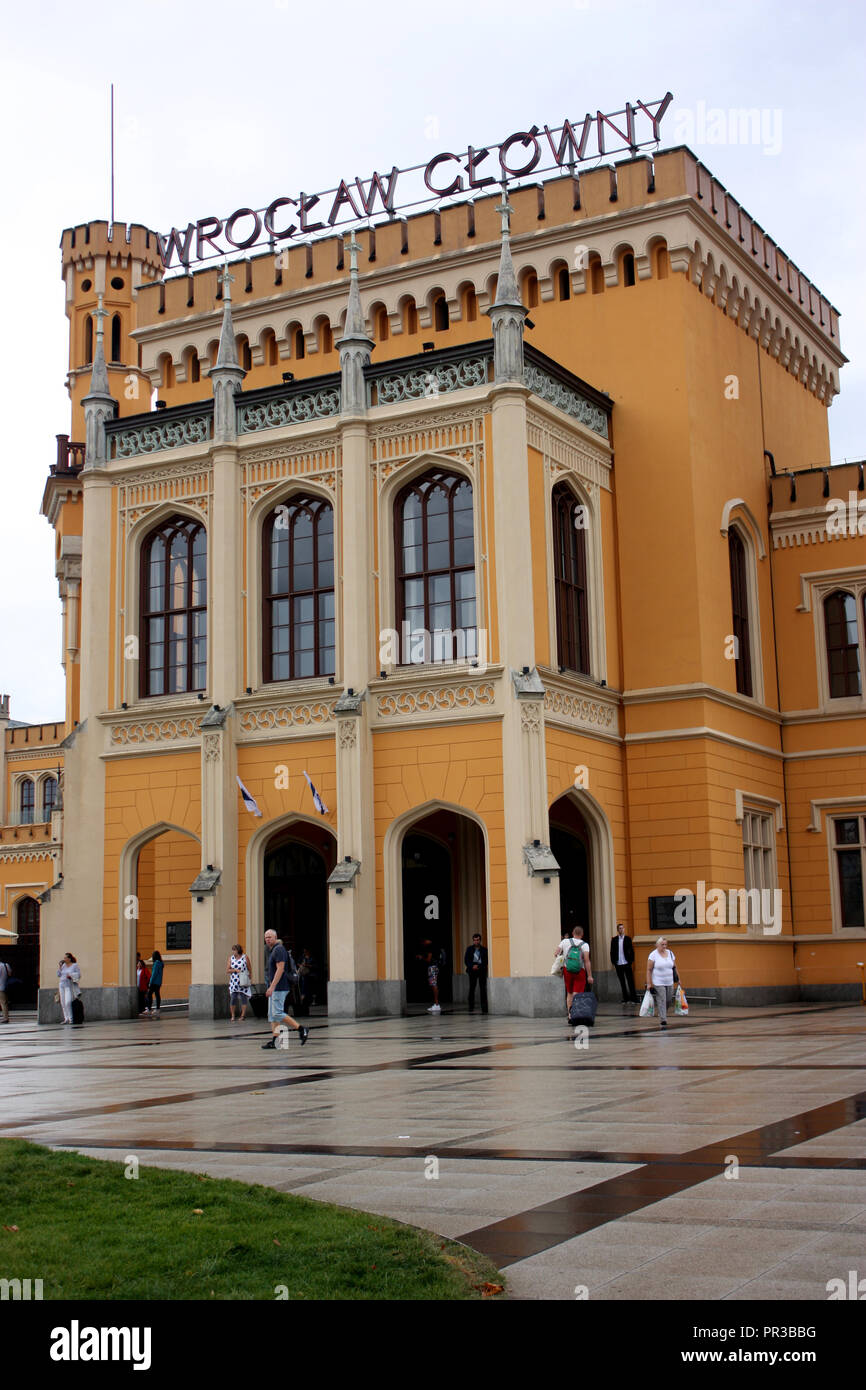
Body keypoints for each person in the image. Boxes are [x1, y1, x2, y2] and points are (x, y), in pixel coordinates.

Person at [261, 929, 309, 1049]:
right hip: (275, 987)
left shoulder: (279, 949)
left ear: (275, 937)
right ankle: (275, 1041)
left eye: (270, 937)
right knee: (272, 1015)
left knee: (277, 1012)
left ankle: (301, 1029)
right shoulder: (273, 950)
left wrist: (272, 987)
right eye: (266, 937)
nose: (267, 939)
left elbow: (280, 969)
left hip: (279, 987)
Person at [555, 925, 593, 1020]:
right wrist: (589, 976)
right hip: (580, 971)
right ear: (582, 935)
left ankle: (570, 1015)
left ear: (573, 933)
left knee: (570, 993)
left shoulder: (565, 941)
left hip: (567, 970)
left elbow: (556, 953)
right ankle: (576, 1013)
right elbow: (587, 961)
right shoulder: (584, 945)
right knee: (577, 993)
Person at [646, 936, 681, 1030]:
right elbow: (649, 970)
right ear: (657, 945)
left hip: (669, 981)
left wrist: (678, 979)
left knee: (669, 999)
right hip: (658, 982)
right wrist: (649, 983)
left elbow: (674, 967)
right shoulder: (653, 955)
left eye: (665, 944)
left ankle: (662, 1013)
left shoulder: (670, 953)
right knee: (662, 999)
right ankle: (663, 1019)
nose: (664, 946)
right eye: (662, 945)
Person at [610, 922, 638, 1004]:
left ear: (624, 929)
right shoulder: (614, 940)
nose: (621, 930)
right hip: (618, 963)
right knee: (622, 982)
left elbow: (632, 951)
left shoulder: (628, 939)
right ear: (617, 930)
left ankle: (633, 998)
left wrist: (631, 961)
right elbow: (612, 951)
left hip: (626, 963)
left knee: (630, 981)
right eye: (619, 928)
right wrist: (613, 961)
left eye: (622, 928)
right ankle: (625, 998)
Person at [227, 943, 252, 1022]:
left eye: (234, 950)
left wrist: (250, 976)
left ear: (238, 950)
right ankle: (233, 1015)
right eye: (233, 950)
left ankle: (243, 1015)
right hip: (234, 981)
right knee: (233, 998)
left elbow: (249, 968)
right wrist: (235, 970)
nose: (233, 952)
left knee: (243, 997)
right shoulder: (231, 958)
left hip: (243, 980)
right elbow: (227, 970)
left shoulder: (245, 957)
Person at [464, 933, 488, 1013]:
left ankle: (484, 1007)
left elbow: (486, 961)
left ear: (480, 940)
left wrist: (479, 966)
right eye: (474, 940)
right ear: (473, 941)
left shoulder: (484, 950)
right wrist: (472, 966)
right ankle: (471, 1007)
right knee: (472, 988)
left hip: (481, 970)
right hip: (472, 971)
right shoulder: (469, 949)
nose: (476, 942)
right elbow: (466, 960)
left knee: (483, 989)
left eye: (477, 940)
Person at [57, 952, 81, 1025]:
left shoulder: (74, 965)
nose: (64, 959)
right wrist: (60, 967)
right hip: (61, 984)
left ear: (69, 959)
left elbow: (79, 975)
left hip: (69, 985)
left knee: (68, 1002)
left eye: (65, 958)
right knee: (63, 1003)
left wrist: (71, 975)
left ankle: (71, 1018)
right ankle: (66, 1018)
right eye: (64, 958)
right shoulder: (63, 965)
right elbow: (58, 975)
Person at [144, 951, 164, 1017]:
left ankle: (149, 1008)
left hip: (154, 982)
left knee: (149, 994)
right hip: (158, 982)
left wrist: (150, 982)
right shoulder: (161, 963)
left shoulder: (156, 963)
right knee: (157, 994)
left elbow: (154, 974)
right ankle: (157, 1008)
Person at [422, 948, 441, 1014]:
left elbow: (429, 959)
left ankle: (436, 1004)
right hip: (435, 966)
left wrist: (422, 957)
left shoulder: (431, 948)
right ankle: (436, 1004)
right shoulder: (436, 949)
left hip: (432, 967)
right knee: (434, 984)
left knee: (434, 984)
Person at [0, 958, 9, 1022]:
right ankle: (5, 1018)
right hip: (3, 986)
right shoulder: (6, 965)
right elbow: (10, 974)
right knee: (4, 1003)